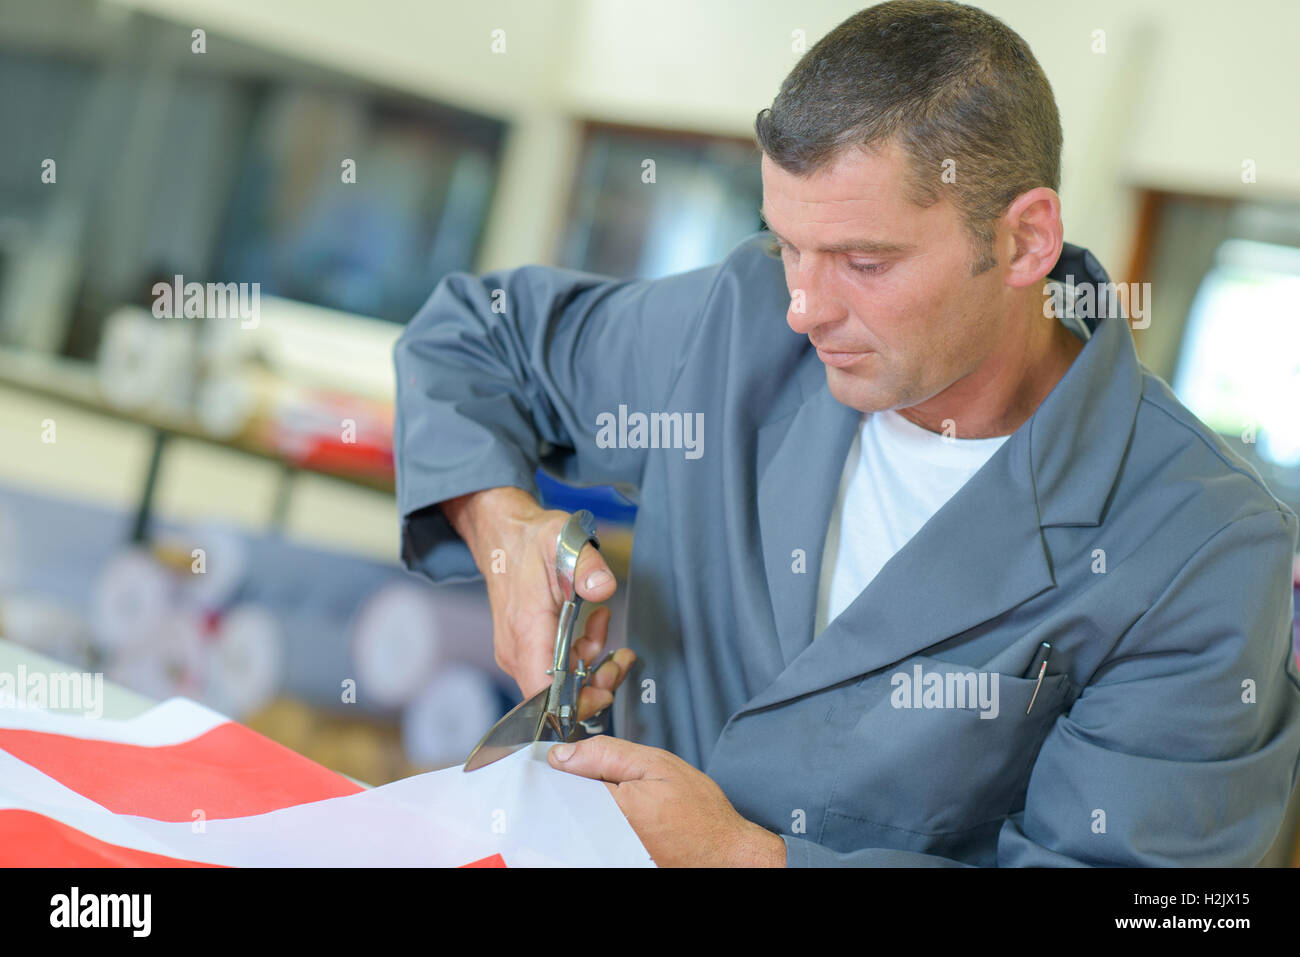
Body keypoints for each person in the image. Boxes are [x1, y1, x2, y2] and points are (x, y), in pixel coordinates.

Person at [393, 0, 1300, 866]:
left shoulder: (1203, 548)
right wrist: (501, 531)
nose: (803, 308)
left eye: (866, 262)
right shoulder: (735, 322)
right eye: (788, 243)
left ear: (1026, 241)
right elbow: (473, 339)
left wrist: (749, 860)